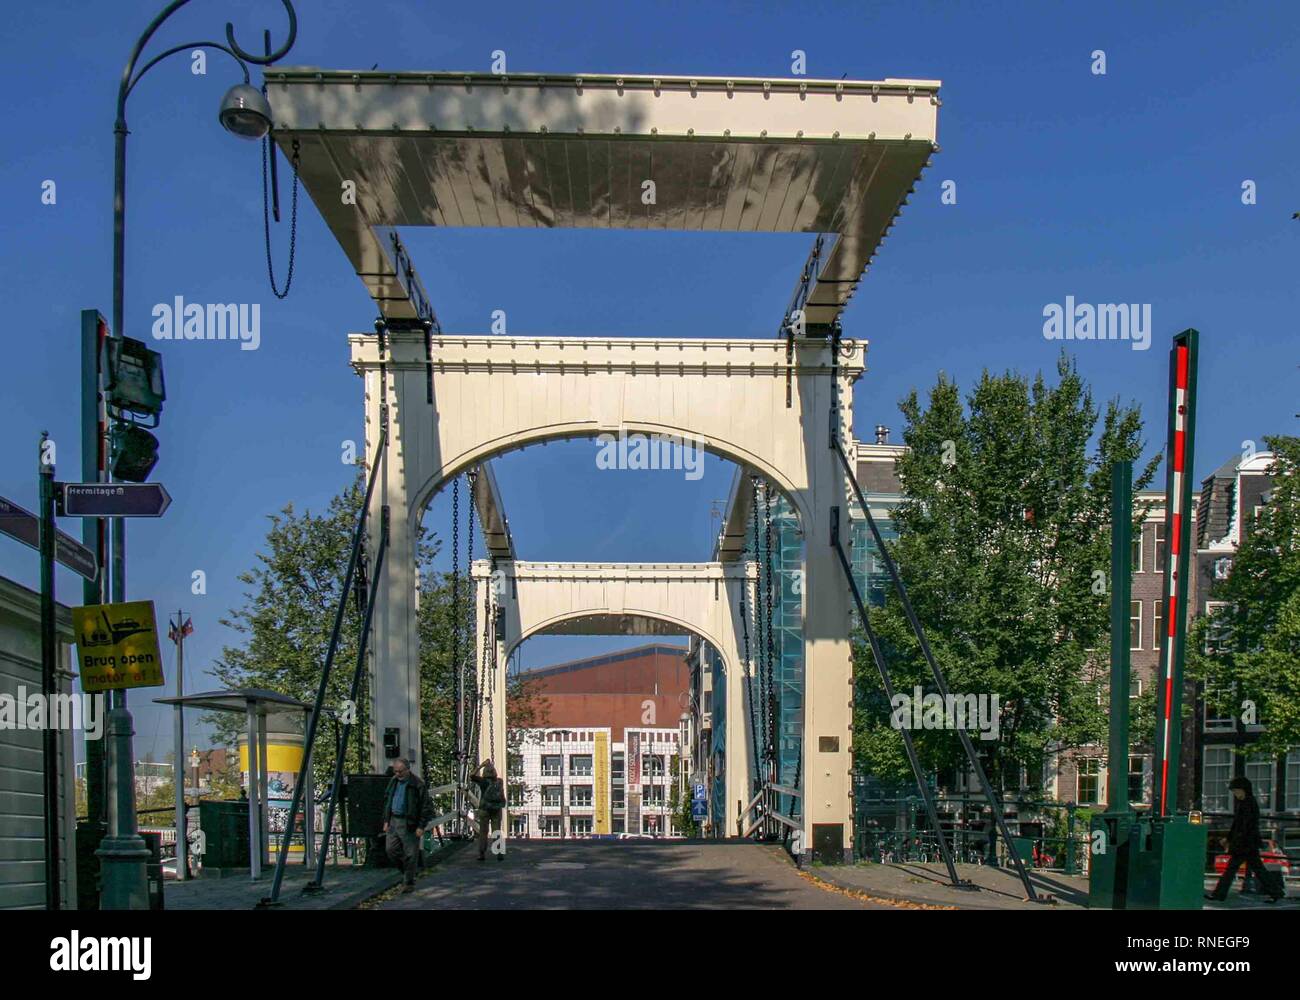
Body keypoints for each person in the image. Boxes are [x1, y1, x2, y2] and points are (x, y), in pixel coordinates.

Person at [1206, 776, 1283, 903]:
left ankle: (1219, 894)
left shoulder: (1248, 803)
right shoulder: (1245, 803)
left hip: (1245, 843)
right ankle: (1276, 892)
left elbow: (1245, 825)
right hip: (1247, 843)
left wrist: (1233, 840)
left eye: (1236, 791)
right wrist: (1230, 838)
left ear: (1243, 790)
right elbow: (1238, 824)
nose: (1235, 794)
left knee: (1232, 870)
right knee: (1256, 869)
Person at [381, 758, 434, 892]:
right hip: (394, 820)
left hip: (408, 822)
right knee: (391, 850)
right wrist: (386, 820)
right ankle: (407, 871)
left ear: (407, 770)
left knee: (411, 853)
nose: (397, 774)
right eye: (395, 771)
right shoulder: (393, 781)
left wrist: (421, 826)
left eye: (400, 771)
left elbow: (426, 807)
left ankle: (408, 882)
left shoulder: (417, 784)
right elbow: (387, 800)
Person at [471, 760, 506, 861]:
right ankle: (499, 852)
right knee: (497, 831)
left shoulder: (483, 781)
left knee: (483, 832)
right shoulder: (500, 781)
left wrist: (481, 765)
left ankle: (482, 853)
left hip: (484, 809)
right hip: (496, 808)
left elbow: (471, 775)